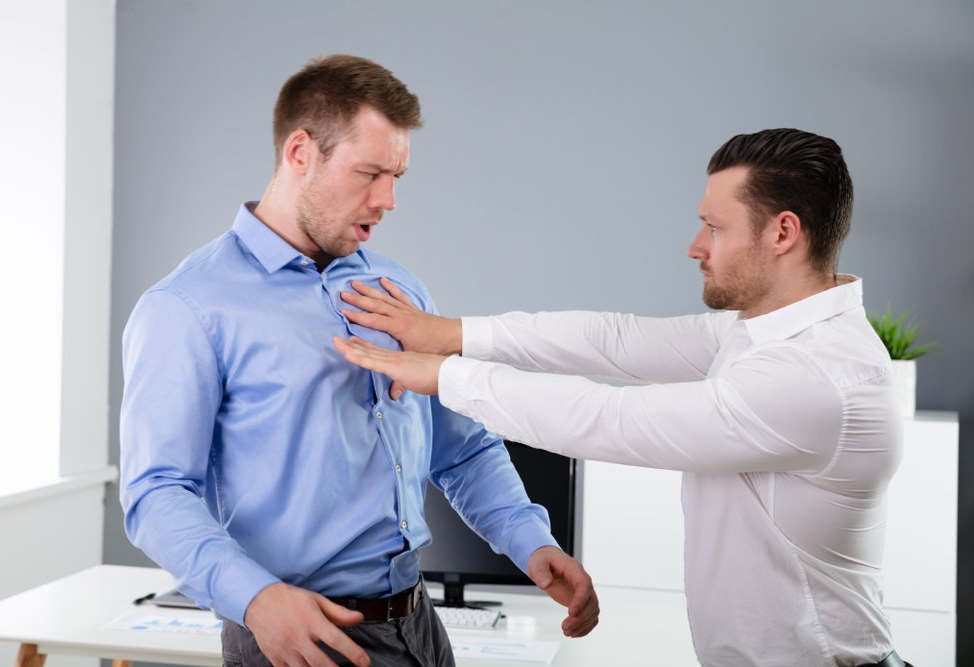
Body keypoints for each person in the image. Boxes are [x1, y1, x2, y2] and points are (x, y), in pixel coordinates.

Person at [333, 128, 913, 667]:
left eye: (715, 227)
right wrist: (456, 333)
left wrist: (444, 373)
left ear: (783, 233)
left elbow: (611, 420)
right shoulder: (763, 333)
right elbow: (614, 339)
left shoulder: (815, 377)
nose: (695, 246)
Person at [119, 54, 599, 667]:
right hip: (299, 636)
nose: (389, 199)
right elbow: (156, 491)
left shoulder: (399, 290)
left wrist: (530, 541)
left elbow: (461, 445)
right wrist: (257, 600)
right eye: (369, 173)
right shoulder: (187, 306)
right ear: (300, 153)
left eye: (397, 176)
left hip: (419, 625)